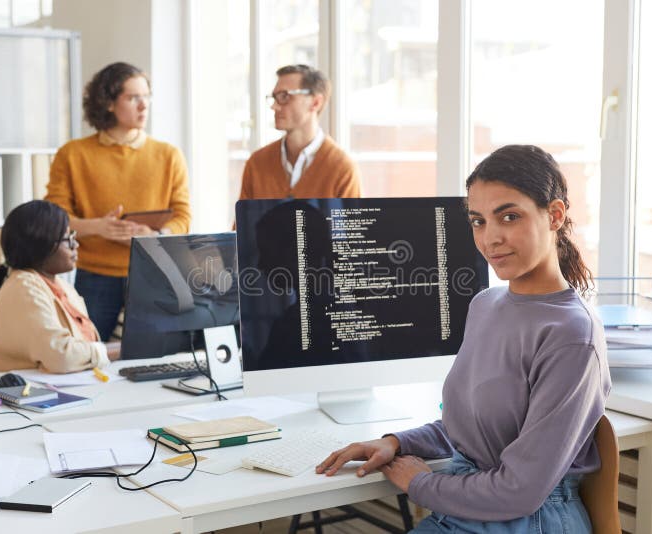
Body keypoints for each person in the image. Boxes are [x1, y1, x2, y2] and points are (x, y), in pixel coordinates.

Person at [317, 145, 611, 533]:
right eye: (478, 221)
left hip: (530, 521)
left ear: (554, 215)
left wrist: (420, 484)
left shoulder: (573, 336)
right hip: (469, 508)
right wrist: (396, 443)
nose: (491, 238)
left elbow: (520, 491)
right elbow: (472, 433)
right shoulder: (485, 305)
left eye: (509, 216)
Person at [46, 61, 191, 341]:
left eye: (146, 97)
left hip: (153, 273)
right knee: (88, 357)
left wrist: (155, 235)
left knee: (155, 356)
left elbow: (183, 217)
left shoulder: (169, 155)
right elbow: (55, 217)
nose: (143, 105)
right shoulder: (73, 154)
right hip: (95, 275)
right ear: (109, 102)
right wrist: (98, 227)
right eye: (133, 97)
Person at [0, 200, 120, 374]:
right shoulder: (24, 287)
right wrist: (121, 350)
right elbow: (61, 356)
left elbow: (86, 346)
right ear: (42, 245)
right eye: (68, 239)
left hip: (71, 384)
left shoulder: (61, 286)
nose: (76, 245)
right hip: (33, 393)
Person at [238, 64, 362, 200]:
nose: (274, 106)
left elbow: (350, 221)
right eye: (274, 97)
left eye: (284, 96)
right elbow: (242, 222)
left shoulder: (342, 168)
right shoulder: (256, 164)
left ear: (315, 102)